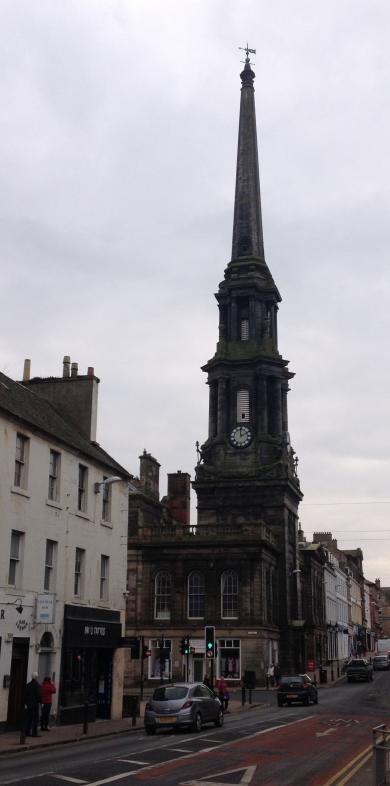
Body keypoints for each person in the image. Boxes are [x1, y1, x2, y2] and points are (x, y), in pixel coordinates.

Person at [25, 672, 41, 737]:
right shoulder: (37, 685)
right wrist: (40, 701)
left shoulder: (28, 685)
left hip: (29, 704)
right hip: (35, 704)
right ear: (36, 677)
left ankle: (27, 732)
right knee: (35, 719)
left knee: (29, 718)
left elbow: (25, 694)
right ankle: (34, 733)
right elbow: (38, 695)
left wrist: (26, 702)